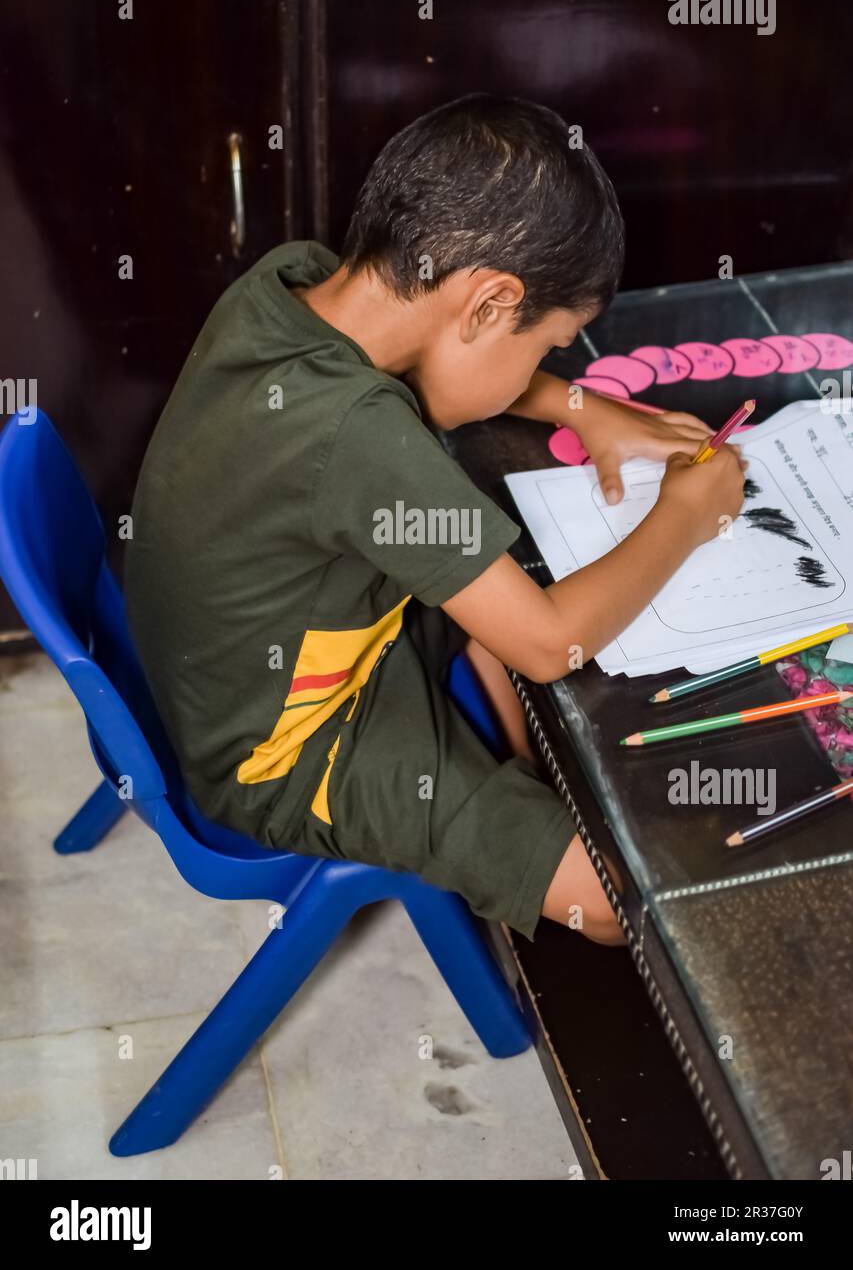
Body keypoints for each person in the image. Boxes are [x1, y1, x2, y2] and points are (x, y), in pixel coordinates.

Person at [124, 94, 744, 948]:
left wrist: (577, 404)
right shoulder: (358, 439)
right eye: (545, 345)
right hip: (290, 753)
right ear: (488, 303)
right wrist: (687, 510)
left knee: (494, 582)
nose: (543, 366)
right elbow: (545, 643)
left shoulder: (293, 282)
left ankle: (521, 769)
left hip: (225, 662)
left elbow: (428, 382)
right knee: (615, 899)